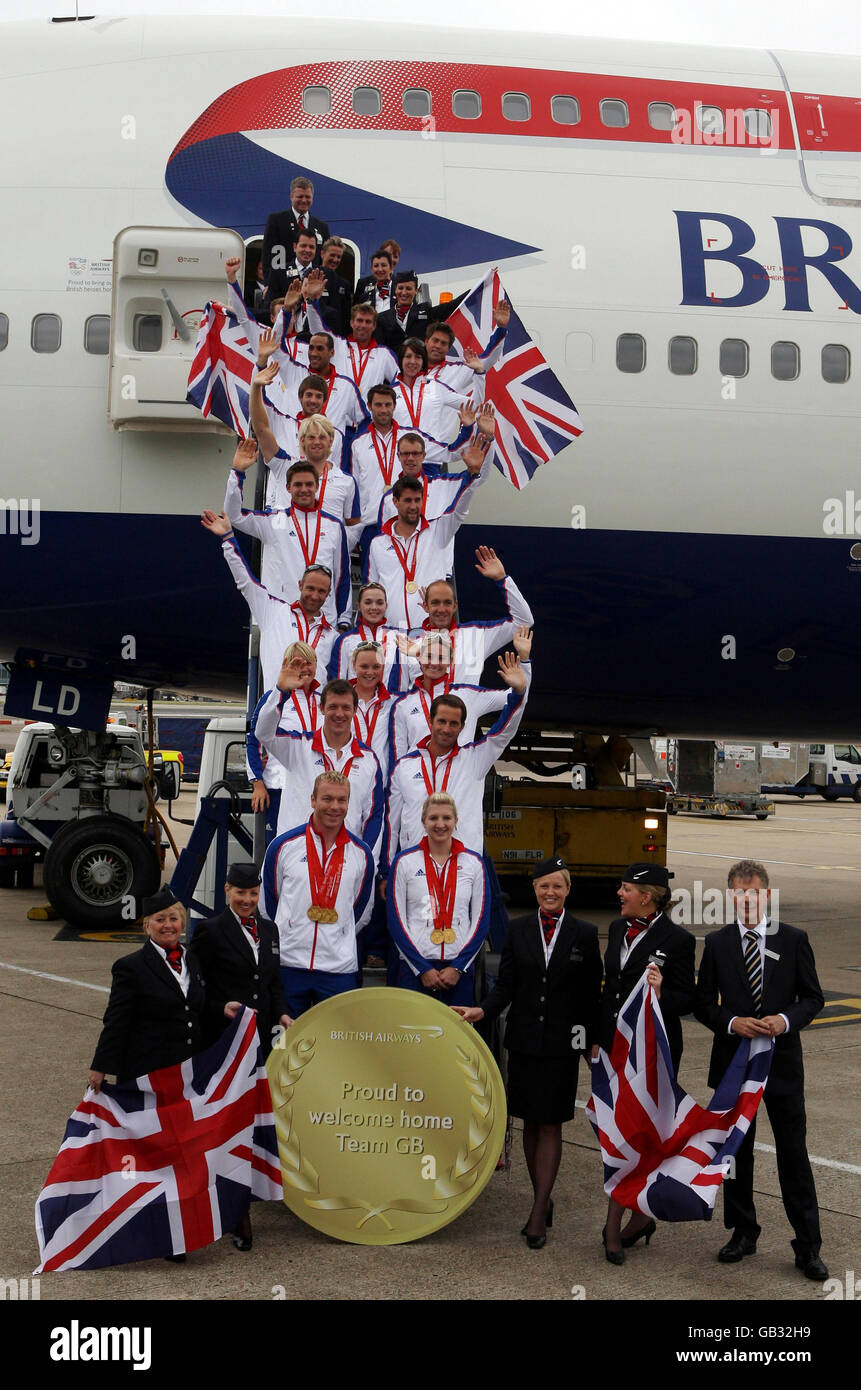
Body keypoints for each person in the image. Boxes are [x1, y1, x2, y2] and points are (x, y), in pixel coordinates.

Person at [454, 857, 602, 1249]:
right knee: (528, 1123)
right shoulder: (518, 930)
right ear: (534, 890)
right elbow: (507, 986)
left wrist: (592, 1042)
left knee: (550, 1123)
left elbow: (591, 995)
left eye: (556, 886)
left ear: (568, 890)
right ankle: (543, 1196)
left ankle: (537, 1210)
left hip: (561, 1045)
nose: (549, 892)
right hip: (523, 1040)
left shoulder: (584, 934)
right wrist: (481, 1009)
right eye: (542, 886)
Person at [694, 859, 827, 1281]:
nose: (747, 900)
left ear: (767, 895)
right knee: (737, 1156)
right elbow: (703, 1004)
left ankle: (807, 1245)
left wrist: (784, 1021)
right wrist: (732, 1022)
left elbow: (812, 998)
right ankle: (742, 1231)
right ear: (731, 897)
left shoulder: (793, 939)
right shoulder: (717, 943)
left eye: (754, 892)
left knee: (793, 1157)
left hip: (782, 1067)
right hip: (735, 1067)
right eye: (739, 893)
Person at [597, 862, 696, 1263]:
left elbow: (688, 999)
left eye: (625, 889)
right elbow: (611, 988)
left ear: (648, 896)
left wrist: (661, 992)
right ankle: (634, 1217)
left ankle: (617, 1221)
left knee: (642, 1135)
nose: (619, 895)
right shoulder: (619, 929)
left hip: (653, 1052)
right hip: (616, 1048)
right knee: (616, 1133)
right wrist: (597, 1040)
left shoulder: (678, 939)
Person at [190, 862, 292, 1250]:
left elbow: (272, 983)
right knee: (225, 1126)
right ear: (227, 890)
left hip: (260, 1042)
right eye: (240, 894)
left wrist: (281, 1011)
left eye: (253, 894)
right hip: (225, 1043)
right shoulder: (209, 931)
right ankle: (231, 1211)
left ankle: (241, 1203)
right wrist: (220, 1008)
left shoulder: (269, 929)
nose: (247, 901)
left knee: (252, 1122)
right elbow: (195, 989)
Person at [382, 637, 532, 871]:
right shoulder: (405, 754)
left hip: (463, 857)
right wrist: (387, 867)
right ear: (430, 721)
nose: (446, 728)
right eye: (441, 721)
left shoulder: (473, 753)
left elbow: (512, 711)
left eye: (454, 723)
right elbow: (393, 813)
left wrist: (524, 671)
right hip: (415, 859)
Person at [262, 770, 375, 1017]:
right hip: (289, 963)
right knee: (283, 1045)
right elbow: (270, 902)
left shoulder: (361, 854)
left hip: (338, 967)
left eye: (341, 800)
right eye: (327, 799)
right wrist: (289, 930)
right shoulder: (283, 846)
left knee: (337, 1047)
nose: (334, 807)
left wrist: (337, 933)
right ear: (313, 800)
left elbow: (361, 908)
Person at [254, 668, 385, 858]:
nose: (339, 714)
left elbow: (373, 817)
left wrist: (365, 863)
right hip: (296, 858)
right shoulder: (298, 747)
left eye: (346, 707)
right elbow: (263, 733)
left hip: (345, 862)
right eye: (333, 707)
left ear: (355, 710)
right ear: (321, 708)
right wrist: (280, 691)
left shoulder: (368, 759)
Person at [224, 443, 351, 627]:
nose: (304, 489)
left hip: (323, 623)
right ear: (288, 488)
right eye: (298, 484)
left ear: (316, 486)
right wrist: (238, 472)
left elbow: (342, 577)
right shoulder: (275, 521)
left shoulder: (334, 525)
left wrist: (344, 621)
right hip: (283, 620)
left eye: (309, 484)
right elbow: (233, 515)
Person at [364, 449, 488, 629]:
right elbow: (372, 588)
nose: (413, 506)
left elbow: (460, 511)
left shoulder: (438, 531)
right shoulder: (378, 544)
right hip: (390, 633)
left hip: (430, 631)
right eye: (407, 500)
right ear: (395, 502)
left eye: (417, 500)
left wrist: (472, 474)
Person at [387, 792, 491, 1007]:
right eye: (433, 818)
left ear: (456, 821)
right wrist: (421, 968)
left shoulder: (474, 863)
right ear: (423, 821)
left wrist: (458, 967)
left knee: (455, 1038)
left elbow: (481, 920)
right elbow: (396, 920)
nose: (440, 824)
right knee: (413, 1035)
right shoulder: (404, 862)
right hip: (415, 968)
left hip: (458, 969)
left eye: (446, 818)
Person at [248, 369, 359, 539]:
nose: (316, 442)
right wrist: (256, 387)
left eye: (322, 437)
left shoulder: (345, 481)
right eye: (311, 437)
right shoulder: (285, 465)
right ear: (301, 441)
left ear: (331, 441)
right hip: (287, 536)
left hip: (325, 550)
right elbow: (261, 428)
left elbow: (353, 527)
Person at [402, 548, 535, 686]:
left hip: (466, 707)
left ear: (455, 606)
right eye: (435, 603)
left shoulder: (476, 634)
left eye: (447, 603)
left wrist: (502, 579)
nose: (441, 609)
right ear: (426, 606)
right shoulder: (409, 642)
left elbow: (524, 621)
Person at [374, 423, 491, 572]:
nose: (410, 458)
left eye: (416, 453)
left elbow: (478, 478)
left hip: (437, 572)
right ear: (398, 456)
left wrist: (489, 441)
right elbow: (382, 542)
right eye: (405, 453)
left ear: (424, 456)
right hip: (400, 572)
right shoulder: (388, 499)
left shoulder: (444, 484)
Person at [389, 630, 509, 763]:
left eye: (441, 658)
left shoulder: (467, 695)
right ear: (419, 657)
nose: (434, 663)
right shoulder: (402, 704)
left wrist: (524, 670)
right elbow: (398, 760)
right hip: (418, 780)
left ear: (450, 661)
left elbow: (513, 699)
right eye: (429, 656)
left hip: (456, 778)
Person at [247, 639, 322, 836]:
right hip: (280, 788)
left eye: (309, 662)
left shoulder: (324, 701)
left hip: (316, 788)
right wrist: (257, 783)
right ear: (288, 665)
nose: (305, 668)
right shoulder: (273, 698)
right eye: (299, 663)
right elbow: (255, 740)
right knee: (281, 847)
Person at [258, 324, 370, 436]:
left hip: (329, 451)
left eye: (320, 348)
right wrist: (286, 310)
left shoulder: (346, 386)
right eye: (311, 348)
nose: (313, 353)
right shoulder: (295, 373)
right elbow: (276, 342)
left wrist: (351, 446)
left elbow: (365, 420)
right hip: (296, 448)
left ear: (332, 352)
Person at [391, 339, 475, 460]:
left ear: (423, 361)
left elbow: (473, 405)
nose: (412, 361)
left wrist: (480, 374)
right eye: (408, 356)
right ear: (401, 360)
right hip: (399, 461)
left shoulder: (437, 387)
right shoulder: (390, 392)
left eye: (418, 357)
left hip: (431, 460)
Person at [306, 299, 397, 398]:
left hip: (370, 411)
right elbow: (317, 329)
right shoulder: (338, 345)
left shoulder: (384, 354)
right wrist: (311, 301)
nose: (363, 325)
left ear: (374, 326)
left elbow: (399, 381)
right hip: (339, 410)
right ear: (352, 323)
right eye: (359, 320)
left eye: (368, 322)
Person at [423, 300, 510, 390]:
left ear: (448, 348)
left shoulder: (457, 371)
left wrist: (500, 328)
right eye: (435, 340)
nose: (438, 346)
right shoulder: (410, 367)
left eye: (443, 343)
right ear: (426, 341)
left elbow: (488, 358)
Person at [262, 176, 329, 286]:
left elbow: (323, 260)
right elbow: (268, 255)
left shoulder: (322, 227)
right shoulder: (277, 220)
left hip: (312, 285)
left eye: (308, 197)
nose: (304, 200)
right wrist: (268, 284)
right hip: (282, 283)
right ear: (291, 197)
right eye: (300, 196)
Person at [375, 272, 466, 351]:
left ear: (416, 291)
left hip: (420, 368)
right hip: (392, 369)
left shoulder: (426, 311)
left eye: (408, 288)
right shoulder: (381, 318)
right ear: (395, 290)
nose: (404, 292)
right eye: (400, 288)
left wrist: (475, 289)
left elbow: (449, 307)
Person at [349, 641, 393, 773]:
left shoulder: (393, 703)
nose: (370, 672)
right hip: (345, 780)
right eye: (364, 666)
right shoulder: (340, 701)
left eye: (376, 667)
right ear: (354, 665)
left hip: (380, 781)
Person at [353, 247, 394, 312]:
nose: (380, 269)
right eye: (376, 266)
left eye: (383, 265)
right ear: (372, 269)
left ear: (391, 268)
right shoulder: (364, 297)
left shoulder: (401, 291)